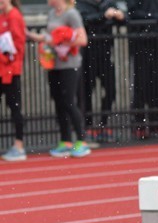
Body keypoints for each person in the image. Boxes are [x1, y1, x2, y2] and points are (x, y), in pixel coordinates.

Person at [27, 0, 91, 158]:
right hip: (54, 64)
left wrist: (63, 42)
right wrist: (30, 35)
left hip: (69, 65)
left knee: (69, 102)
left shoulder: (72, 14)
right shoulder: (51, 14)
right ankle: (66, 140)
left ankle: (82, 140)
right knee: (59, 102)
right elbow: (49, 38)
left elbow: (82, 40)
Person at [77, 0, 125, 143]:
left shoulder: (108, 3)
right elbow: (85, 20)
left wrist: (119, 15)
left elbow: (124, 19)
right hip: (88, 55)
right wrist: (103, 16)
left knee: (111, 90)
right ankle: (88, 126)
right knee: (87, 92)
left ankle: (104, 124)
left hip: (105, 54)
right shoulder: (81, 5)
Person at [126, 0, 158, 139]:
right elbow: (133, 12)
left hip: (154, 39)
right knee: (141, 84)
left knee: (156, 83)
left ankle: (157, 124)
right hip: (139, 40)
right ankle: (139, 125)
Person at [0, 0, 26, 161]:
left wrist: (6, 55)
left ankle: (19, 145)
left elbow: (18, 45)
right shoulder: (3, 15)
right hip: (2, 69)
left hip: (10, 70)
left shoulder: (14, 16)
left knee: (14, 106)